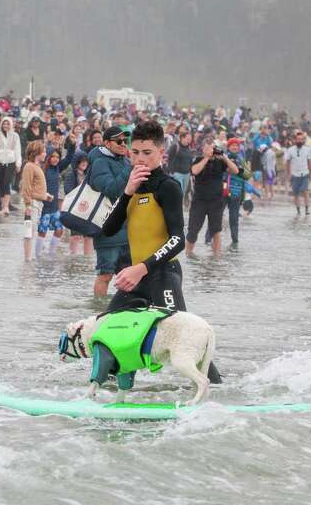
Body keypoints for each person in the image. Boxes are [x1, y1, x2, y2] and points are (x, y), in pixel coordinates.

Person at [99, 120, 221, 384]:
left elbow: (178, 239)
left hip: (162, 274)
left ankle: (221, 395)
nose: (140, 159)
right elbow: (107, 229)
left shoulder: (168, 186)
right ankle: (110, 394)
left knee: (182, 337)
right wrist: (128, 192)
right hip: (136, 278)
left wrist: (141, 267)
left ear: (161, 152)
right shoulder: (130, 187)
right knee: (108, 332)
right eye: (135, 152)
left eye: (147, 153)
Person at [88, 126, 132, 296]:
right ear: (106, 143)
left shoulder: (126, 162)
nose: (123, 144)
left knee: (128, 276)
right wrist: (130, 169)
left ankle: (125, 310)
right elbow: (111, 190)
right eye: (119, 141)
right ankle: (98, 312)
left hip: (128, 230)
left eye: (125, 141)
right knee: (105, 275)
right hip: (108, 229)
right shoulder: (99, 162)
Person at [185, 138, 239, 256]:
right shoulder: (198, 160)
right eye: (208, 147)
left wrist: (224, 157)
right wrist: (207, 158)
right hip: (199, 200)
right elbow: (194, 171)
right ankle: (188, 254)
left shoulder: (220, 161)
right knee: (193, 230)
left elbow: (235, 170)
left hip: (216, 201)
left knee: (216, 230)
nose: (211, 150)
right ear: (203, 149)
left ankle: (216, 258)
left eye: (213, 147)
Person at [20, 140, 51, 260]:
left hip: (38, 203)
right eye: (43, 151)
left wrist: (45, 195)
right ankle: (27, 258)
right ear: (36, 153)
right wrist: (27, 205)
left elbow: (35, 186)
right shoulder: (29, 166)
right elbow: (26, 187)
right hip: (32, 204)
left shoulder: (37, 166)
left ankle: (29, 256)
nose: (45, 154)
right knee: (29, 232)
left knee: (32, 231)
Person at [0, 117, 21, 216]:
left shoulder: (15, 136)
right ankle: (3, 206)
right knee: (1, 183)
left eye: (8, 124)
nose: (6, 126)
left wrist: (18, 164)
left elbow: (18, 150)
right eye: (4, 124)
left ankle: (6, 207)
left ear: (11, 125)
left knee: (6, 183)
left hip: (10, 162)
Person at [286, 130, 311, 216]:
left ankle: (307, 209)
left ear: (303, 140)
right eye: (298, 139)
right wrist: (289, 174)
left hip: (304, 173)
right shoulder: (290, 150)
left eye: (301, 139)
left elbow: (309, 162)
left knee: (305, 191)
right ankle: (298, 211)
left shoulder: (307, 150)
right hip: (294, 175)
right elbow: (287, 162)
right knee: (296, 194)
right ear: (295, 140)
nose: (300, 141)